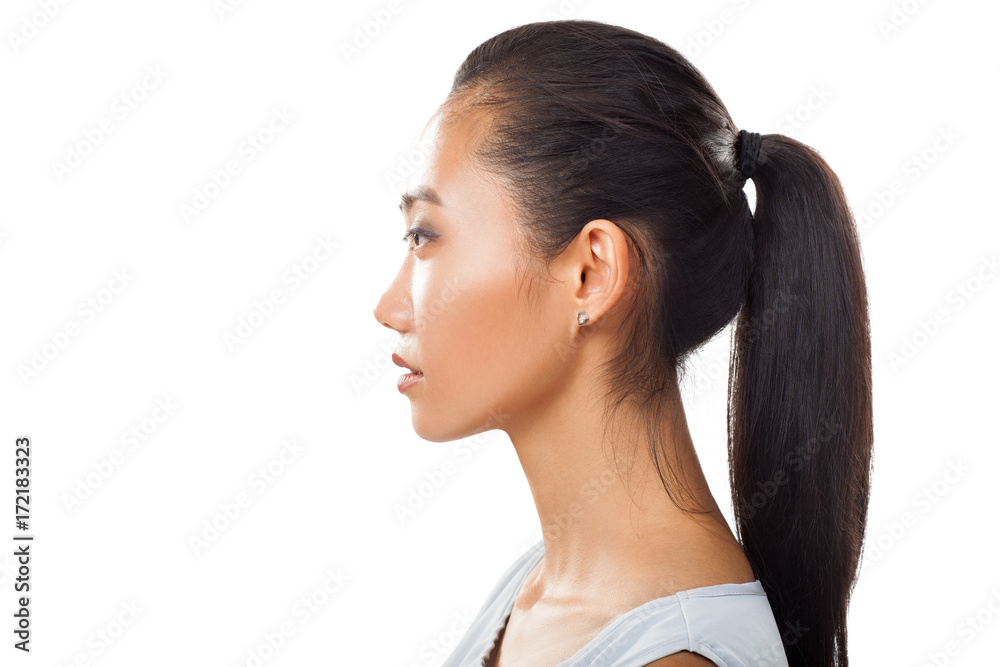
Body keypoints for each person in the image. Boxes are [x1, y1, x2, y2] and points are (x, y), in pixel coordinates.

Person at [373, 19, 873, 667]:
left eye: (425, 237)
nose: (389, 306)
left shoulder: (675, 654)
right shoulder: (539, 587)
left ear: (591, 272)